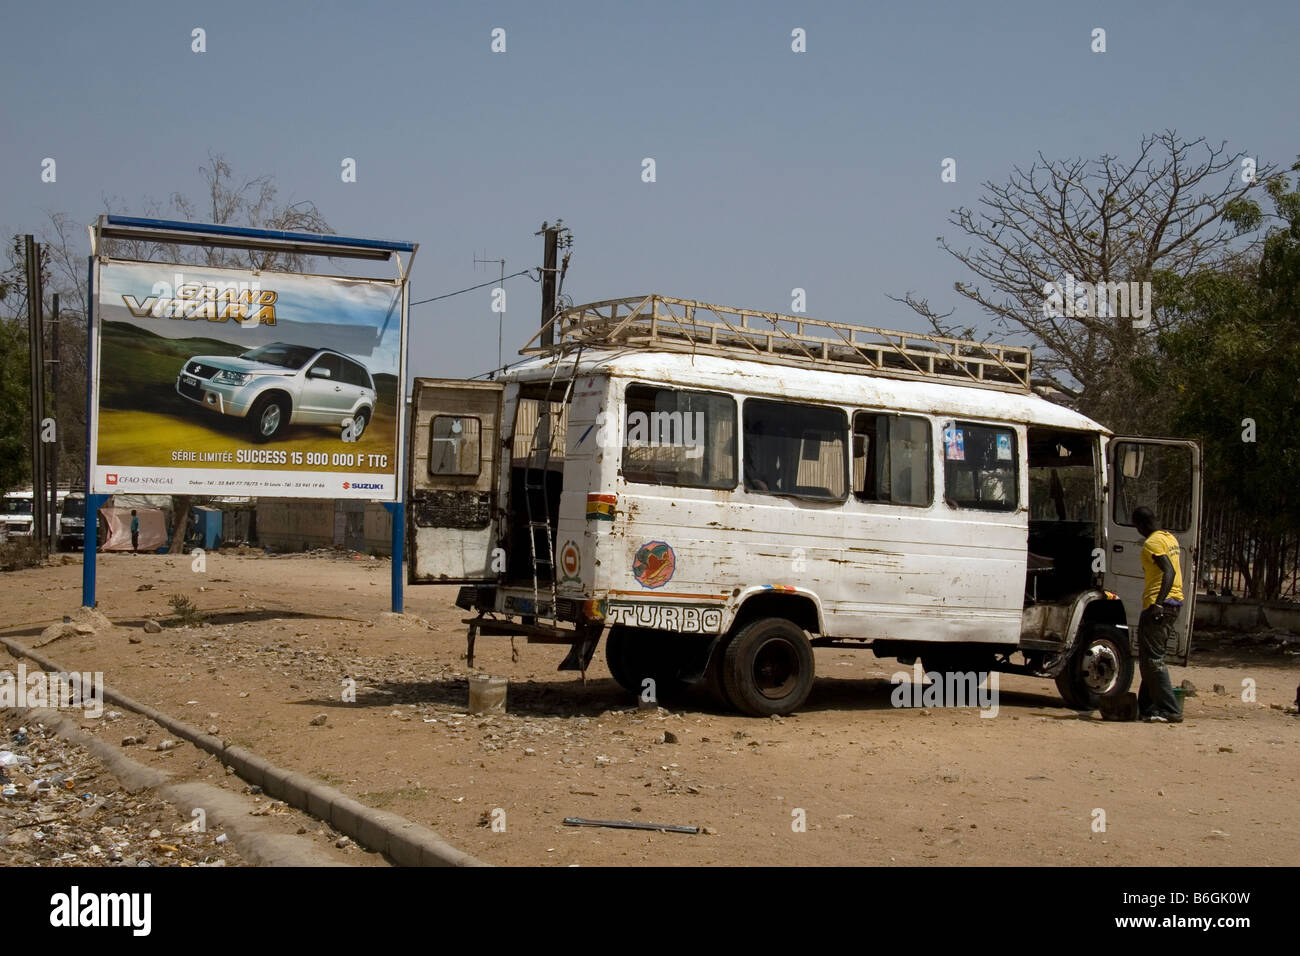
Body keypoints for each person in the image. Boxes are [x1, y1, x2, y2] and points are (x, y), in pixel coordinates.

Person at [1132, 505, 1184, 723]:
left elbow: (1169, 571)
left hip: (1158, 605)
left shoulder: (1152, 543)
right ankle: (1147, 708)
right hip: (1174, 604)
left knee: (1153, 660)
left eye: (1137, 527)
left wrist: (1158, 603)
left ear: (1142, 525)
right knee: (1148, 660)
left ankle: (1171, 710)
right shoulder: (1169, 538)